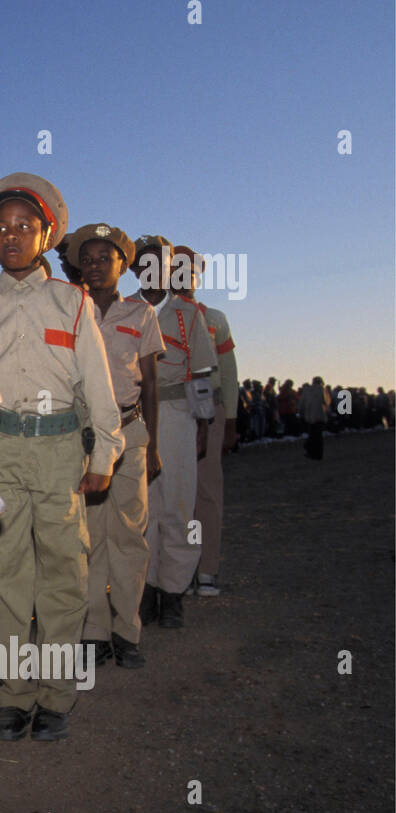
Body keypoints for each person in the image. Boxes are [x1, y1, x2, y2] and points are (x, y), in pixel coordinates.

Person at [0, 174, 122, 743]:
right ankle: (14, 694)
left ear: (46, 234)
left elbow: (100, 386)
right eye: (1, 228)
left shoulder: (73, 302)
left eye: (24, 227)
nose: (11, 236)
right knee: (6, 576)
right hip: (2, 448)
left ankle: (56, 693)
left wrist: (105, 452)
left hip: (61, 450)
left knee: (63, 574)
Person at [63, 224, 164, 670]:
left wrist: (155, 443)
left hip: (130, 433)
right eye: (88, 258)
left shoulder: (141, 315)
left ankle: (127, 630)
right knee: (88, 538)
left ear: (124, 265)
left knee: (129, 537)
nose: (96, 266)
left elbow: (152, 385)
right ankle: (94, 632)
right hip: (83, 437)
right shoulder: (70, 309)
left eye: (107, 258)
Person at [131, 237, 217, 628]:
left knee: (179, 507)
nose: (152, 271)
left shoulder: (188, 314)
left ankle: (173, 591)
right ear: (134, 269)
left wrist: (202, 427)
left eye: (159, 264)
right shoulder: (124, 310)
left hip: (179, 416)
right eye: (144, 264)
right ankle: (144, 590)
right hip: (135, 418)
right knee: (141, 508)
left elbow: (201, 376)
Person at [180, 246, 239, 598]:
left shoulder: (214, 319)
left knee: (207, 493)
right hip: (174, 411)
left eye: (191, 272)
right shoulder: (157, 317)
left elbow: (229, 375)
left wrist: (230, 420)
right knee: (175, 496)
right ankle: (179, 569)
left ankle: (207, 569)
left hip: (210, 412)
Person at [299, 376, 330, 460]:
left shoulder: (306, 390)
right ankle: (318, 455)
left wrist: (301, 413)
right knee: (318, 436)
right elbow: (327, 402)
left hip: (309, 417)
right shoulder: (323, 390)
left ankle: (310, 452)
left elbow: (301, 403)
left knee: (312, 434)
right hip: (320, 416)